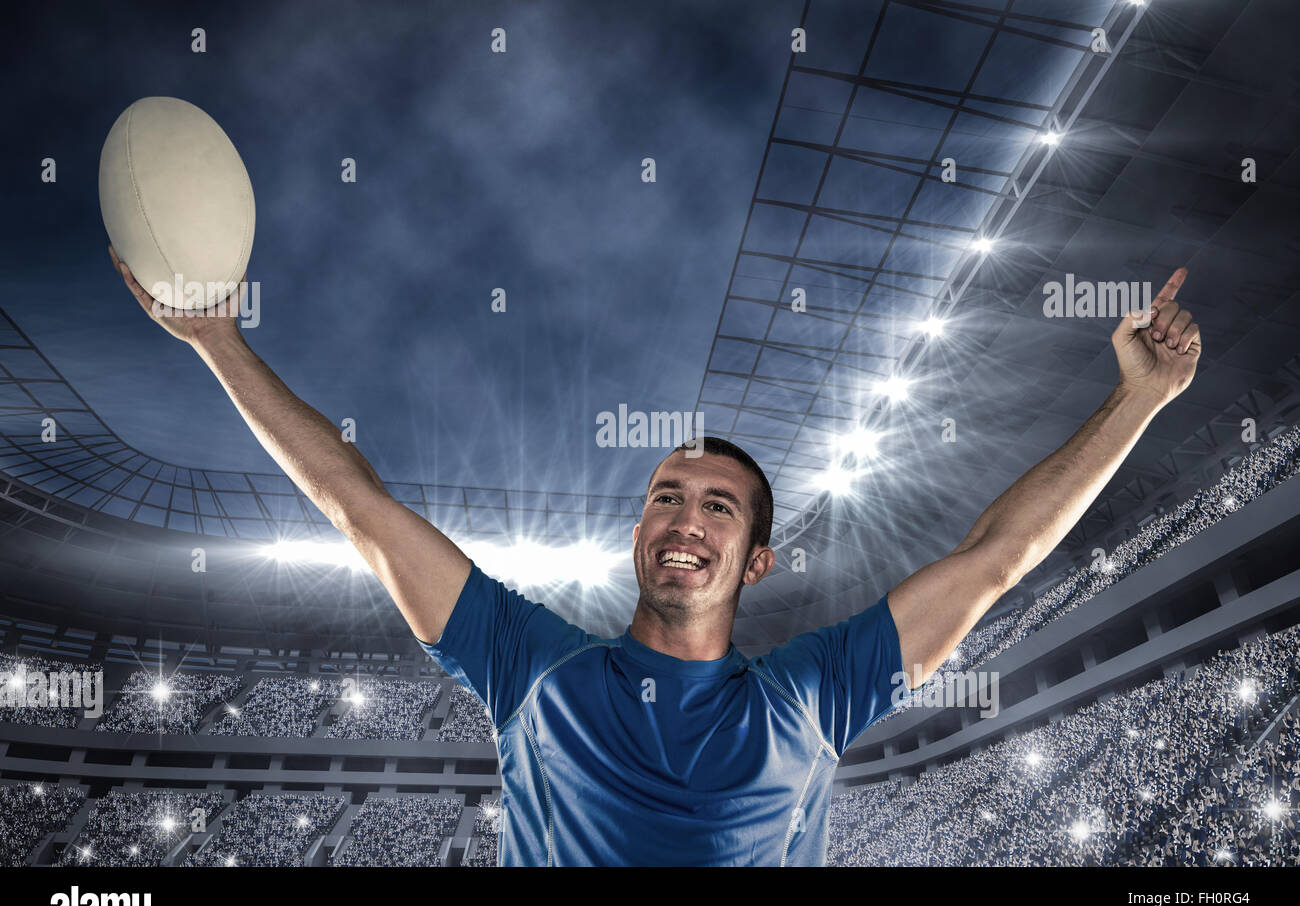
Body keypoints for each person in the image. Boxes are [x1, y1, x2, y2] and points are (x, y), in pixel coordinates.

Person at [109, 248, 1202, 865]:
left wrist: (1135, 401)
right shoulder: (531, 665)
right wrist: (219, 339)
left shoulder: (812, 691)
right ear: (639, 533)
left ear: (758, 557)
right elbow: (357, 505)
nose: (686, 517)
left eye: (719, 507)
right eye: (666, 496)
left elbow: (995, 557)